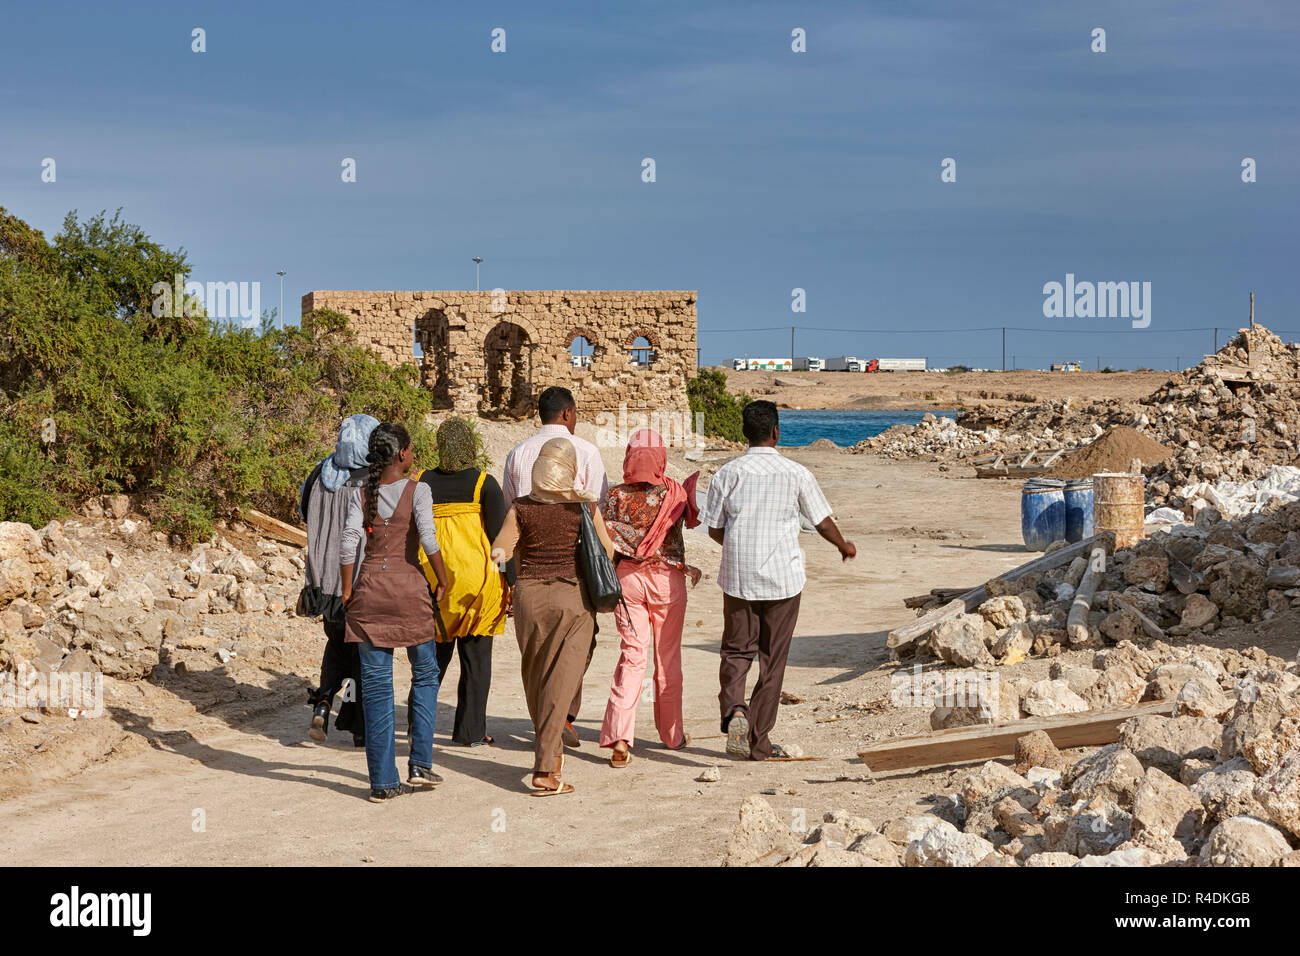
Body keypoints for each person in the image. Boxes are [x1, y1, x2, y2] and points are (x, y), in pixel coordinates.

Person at [700, 401, 856, 761]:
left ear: (745, 433)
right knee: (772, 659)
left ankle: (735, 710)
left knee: (737, 651)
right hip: (784, 581)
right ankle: (759, 742)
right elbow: (821, 520)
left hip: (738, 578)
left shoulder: (728, 473)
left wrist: (738, 547)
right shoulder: (796, 473)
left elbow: (714, 528)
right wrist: (843, 546)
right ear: (775, 432)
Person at [491, 438, 614, 795]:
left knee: (535, 674)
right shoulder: (583, 507)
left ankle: (552, 753)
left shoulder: (520, 507)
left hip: (529, 598)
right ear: (570, 469)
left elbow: (501, 549)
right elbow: (605, 549)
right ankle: (545, 769)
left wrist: (496, 561)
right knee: (562, 679)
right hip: (572, 598)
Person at [341, 422, 450, 802]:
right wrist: (443, 578)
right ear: (402, 454)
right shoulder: (418, 490)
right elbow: (429, 537)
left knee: (375, 687)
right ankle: (420, 763)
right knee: (425, 673)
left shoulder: (360, 494)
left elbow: (349, 542)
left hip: (369, 592)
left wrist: (345, 588)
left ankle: (383, 782)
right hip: (410, 593)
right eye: (412, 449)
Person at [500, 385, 609, 746]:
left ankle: (549, 715)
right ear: (567, 414)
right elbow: (597, 513)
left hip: (528, 574)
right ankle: (561, 712)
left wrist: (507, 574)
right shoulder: (587, 452)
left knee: (535, 650)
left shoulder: (516, 455)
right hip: (575, 575)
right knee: (579, 645)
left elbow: (510, 520)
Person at [598, 429, 702, 767]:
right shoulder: (674, 493)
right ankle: (672, 736)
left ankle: (618, 740)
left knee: (632, 657)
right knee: (667, 659)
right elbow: (689, 522)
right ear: (660, 459)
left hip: (627, 580)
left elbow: (606, 539)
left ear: (629, 457)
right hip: (667, 582)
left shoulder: (614, 496)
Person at [415, 416, 511, 747]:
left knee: (431, 664)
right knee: (476, 664)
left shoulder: (421, 482)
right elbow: (500, 541)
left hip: (434, 585)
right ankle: (470, 732)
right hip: (478, 588)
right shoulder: (484, 483)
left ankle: (419, 726)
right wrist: (511, 585)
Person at [300, 413, 378, 747]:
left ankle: (323, 702)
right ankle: (360, 727)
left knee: (335, 643)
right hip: (361, 580)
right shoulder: (374, 476)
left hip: (325, 581)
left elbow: (304, 511)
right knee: (364, 651)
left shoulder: (320, 472)